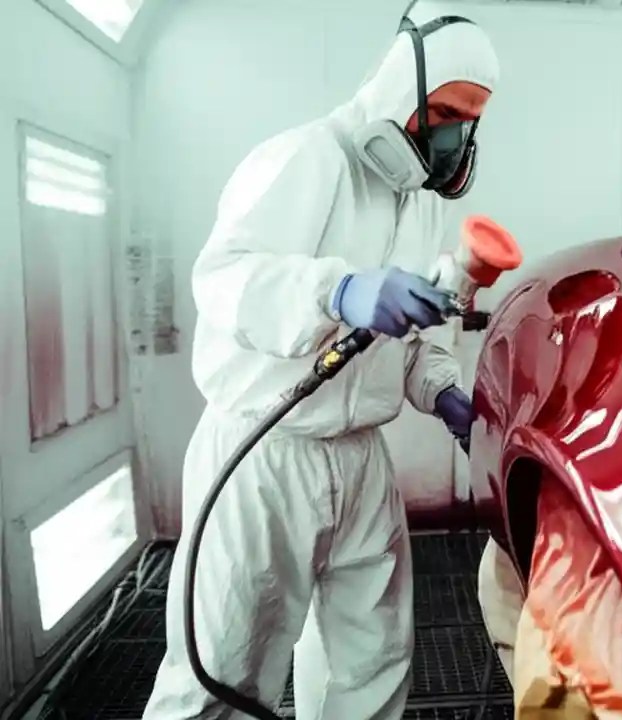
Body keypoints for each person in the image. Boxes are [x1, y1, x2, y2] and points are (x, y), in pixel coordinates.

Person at [143, 4, 499, 718]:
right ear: (401, 92)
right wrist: (334, 289)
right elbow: (223, 277)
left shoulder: (420, 201)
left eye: (470, 118)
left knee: (369, 660)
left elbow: (416, 340)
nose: (454, 135)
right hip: (265, 450)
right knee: (225, 663)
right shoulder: (307, 157)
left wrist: (447, 393)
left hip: (361, 455)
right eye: (444, 112)